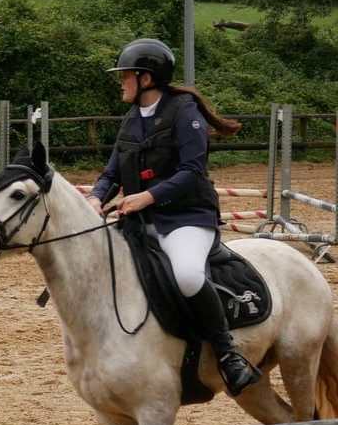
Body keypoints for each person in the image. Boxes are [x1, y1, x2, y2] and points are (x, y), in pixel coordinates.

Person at [87, 38, 261, 397]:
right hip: (141, 221)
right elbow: (112, 172)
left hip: (187, 218)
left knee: (185, 274)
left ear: (146, 78)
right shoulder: (131, 120)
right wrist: (94, 198)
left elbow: (192, 171)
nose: (120, 82)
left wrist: (146, 196)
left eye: (125, 76)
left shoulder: (184, 113)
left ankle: (229, 355)